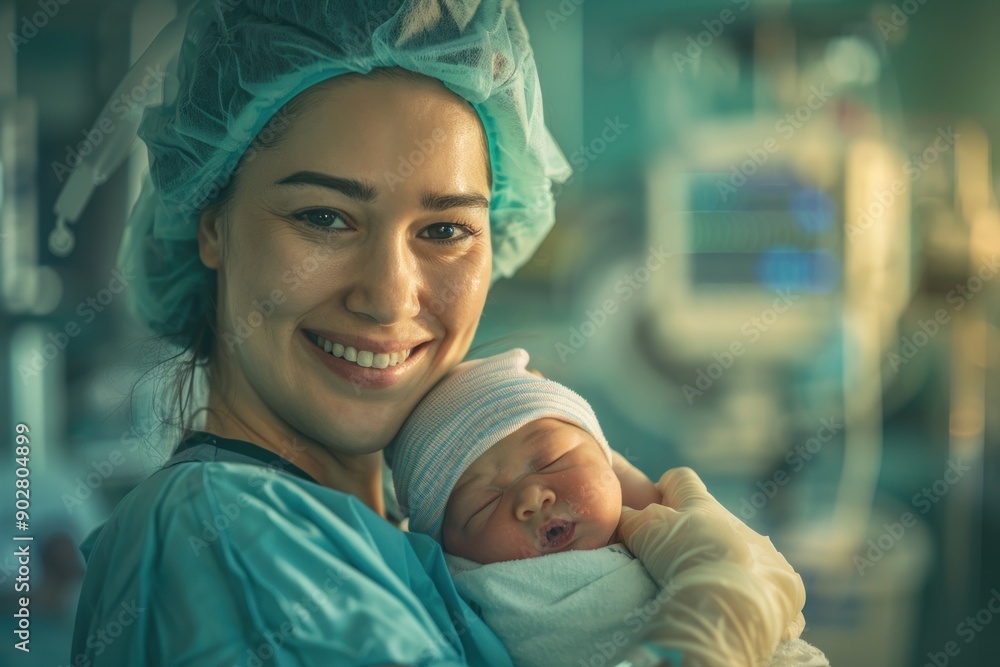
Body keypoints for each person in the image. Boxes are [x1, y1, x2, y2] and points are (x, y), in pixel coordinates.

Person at [69, 1, 807, 665]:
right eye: (324, 216)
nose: (390, 296)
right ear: (212, 226)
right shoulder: (225, 538)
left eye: (447, 228)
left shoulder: (425, 541)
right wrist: (716, 633)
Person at [388, 348, 827, 667]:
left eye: (551, 461)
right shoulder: (471, 594)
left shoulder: (664, 531)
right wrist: (727, 596)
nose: (530, 498)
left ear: (608, 461)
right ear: (452, 552)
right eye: (482, 504)